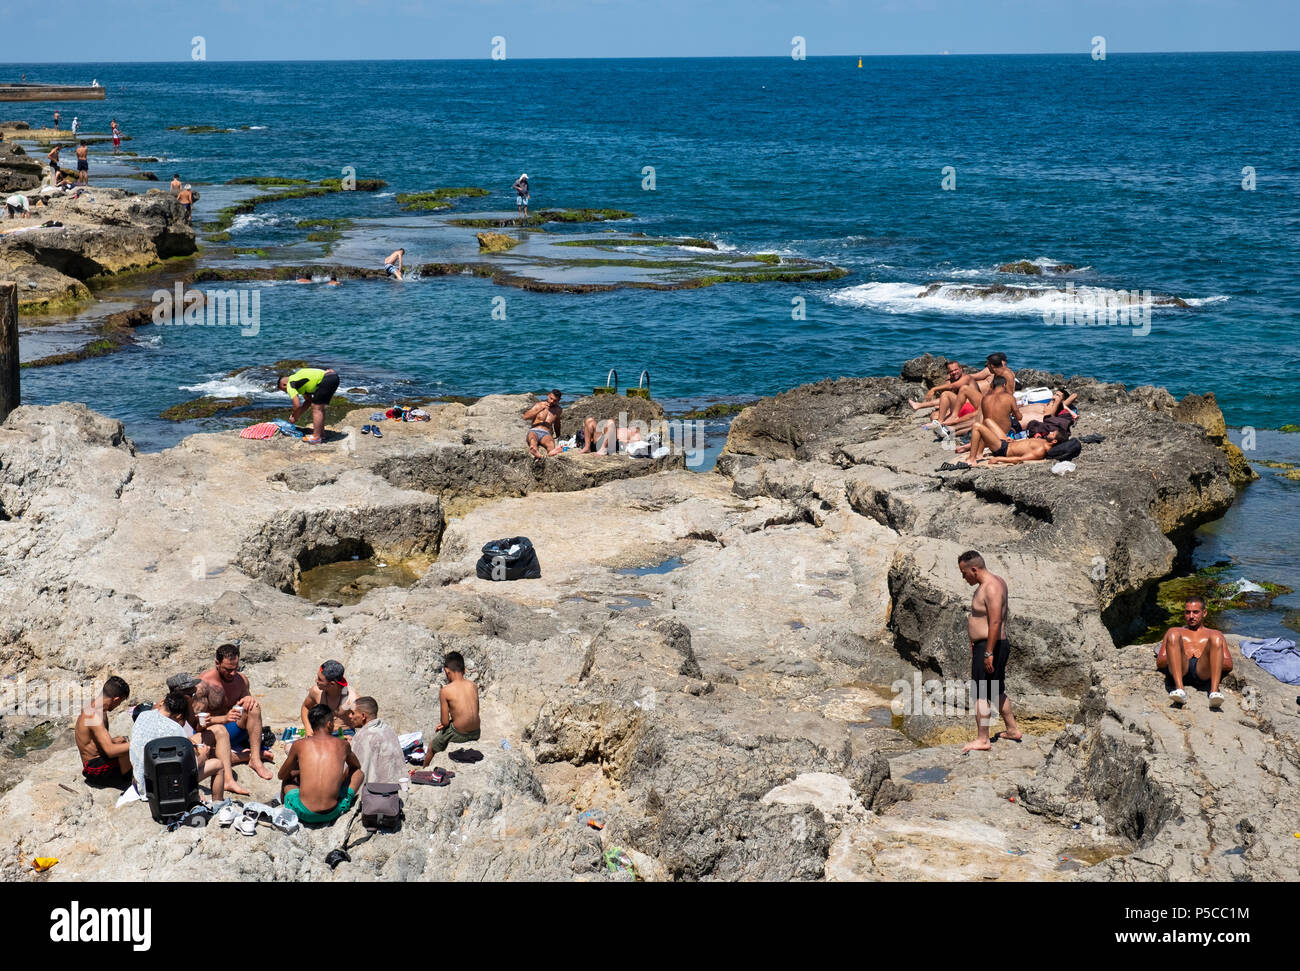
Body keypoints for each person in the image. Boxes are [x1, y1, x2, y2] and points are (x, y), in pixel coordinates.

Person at [958, 551, 1021, 752]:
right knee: (995, 691)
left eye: (964, 572)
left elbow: (995, 621)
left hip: (990, 646)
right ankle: (1012, 729)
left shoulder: (991, 587)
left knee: (980, 694)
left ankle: (982, 739)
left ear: (974, 570)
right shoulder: (998, 582)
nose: (963, 577)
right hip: (990, 644)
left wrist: (988, 652)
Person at [194, 643, 274, 780]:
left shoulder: (241, 680)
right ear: (217, 663)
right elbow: (196, 723)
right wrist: (223, 719)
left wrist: (249, 699)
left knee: (253, 707)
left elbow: (248, 708)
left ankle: (255, 759)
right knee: (206, 755)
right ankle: (248, 755)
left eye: (235, 669)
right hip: (213, 734)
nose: (232, 674)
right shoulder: (203, 684)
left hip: (234, 730)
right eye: (228, 669)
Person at [162, 672, 250, 795]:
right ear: (179, 693)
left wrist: (203, 724)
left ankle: (228, 780)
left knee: (219, 730)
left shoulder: (186, 705)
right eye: (191, 694)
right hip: (170, 759)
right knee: (211, 755)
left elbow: (196, 727)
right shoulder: (164, 710)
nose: (194, 697)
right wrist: (199, 753)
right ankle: (245, 756)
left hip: (183, 744)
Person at [130, 692, 226, 802]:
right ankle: (218, 804)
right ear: (179, 716)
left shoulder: (143, 716)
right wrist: (203, 756)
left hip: (140, 781)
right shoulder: (175, 728)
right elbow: (189, 767)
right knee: (218, 765)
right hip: (161, 789)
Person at [279, 704, 363, 824]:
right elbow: (356, 767)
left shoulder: (299, 744)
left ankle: (285, 810)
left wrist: (298, 772)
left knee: (287, 780)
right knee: (358, 773)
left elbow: (281, 775)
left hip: (304, 813)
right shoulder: (342, 745)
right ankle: (344, 802)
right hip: (333, 812)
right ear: (329, 724)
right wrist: (341, 778)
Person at [1157, 596, 1233, 708]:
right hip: (1181, 668)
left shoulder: (1214, 633)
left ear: (1204, 613)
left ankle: (1214, 692)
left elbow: (1228, 664)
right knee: (1173, 633)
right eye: (1188, 612)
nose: (1191, 616)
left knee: (1216, 637)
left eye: (1195, 612)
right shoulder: (1176, 631)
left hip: (1202, 670)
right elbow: (1160, 662)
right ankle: (1179, 690)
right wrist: (1176, 655)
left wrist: (1209, 657)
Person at [421, 652, 480, 766]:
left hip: (460, 734)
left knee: (431, 747)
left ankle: (424, 771)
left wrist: (444, 725)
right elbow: (474, 712)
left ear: (446, 671)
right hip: (476, 732)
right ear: (464, 670)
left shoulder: (446, 691)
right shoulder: (473, 685)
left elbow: (445, 722)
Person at [75, 676, 132, 785]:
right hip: (95, 770)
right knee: (130, 751)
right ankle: (128, 782)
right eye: (119, 702)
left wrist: (117, 741)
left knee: (122, 742)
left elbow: (97, 741)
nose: (118, 705)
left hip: (97, 761)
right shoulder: (93, 715)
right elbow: (110, 751)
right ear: (116, 699)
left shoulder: (97, 708)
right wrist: (139, 743)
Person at [350, 697, 409, 790]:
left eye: (353, 713)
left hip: (373, 793)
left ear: (363, 715)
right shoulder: (388, 729)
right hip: (397, 787)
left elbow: (354, 768)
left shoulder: (361, 736)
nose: (350, 716)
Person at [277, 366, 340, 445]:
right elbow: (308, 401)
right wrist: (298, 415)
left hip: (326, 380)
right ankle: (321, 433)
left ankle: (316, 438)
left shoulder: (290, 384)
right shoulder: (299, 380)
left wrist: (294, 417)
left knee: (317, 408)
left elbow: (297, 405)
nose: (286, 392)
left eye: (284, 390)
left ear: (284, 385)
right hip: (332, 376)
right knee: (319, 407)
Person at [301, 660, 357, 734]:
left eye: (320, 679)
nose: (316, 681)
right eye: (318, 677)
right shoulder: (316, 692)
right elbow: (306, 707)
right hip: (321, 733)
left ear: (332, 684)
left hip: (344, 733)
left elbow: (364, 721)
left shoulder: (352, 698)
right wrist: (308, 728)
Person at [966, 424, 1063, 466]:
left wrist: (999, 459)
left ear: (1054, 441)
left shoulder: (1040, 451)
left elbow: (1020, 459)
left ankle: (972, 459)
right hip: (1008, 443)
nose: (1050, 432)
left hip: (1003, 450)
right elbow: (1025, 444)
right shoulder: (1043, 441)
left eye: (1052, 434)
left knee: (977, 426)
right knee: (987, 421)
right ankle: (979, 453)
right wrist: (1014, 441)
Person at [522, 389, 563, 458]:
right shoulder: (539, 405)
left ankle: (551, 452)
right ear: (548, 396)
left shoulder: (558, 410)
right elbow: (525, 417)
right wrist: (540, 409)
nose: (552, 401)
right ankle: (534, 450)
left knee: (550, 442)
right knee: (532, 439)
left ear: (558, 401)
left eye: (555, 400)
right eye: (551, 398)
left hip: (546, 433)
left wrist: (558, 436)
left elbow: (557, 424)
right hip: (534, 430)